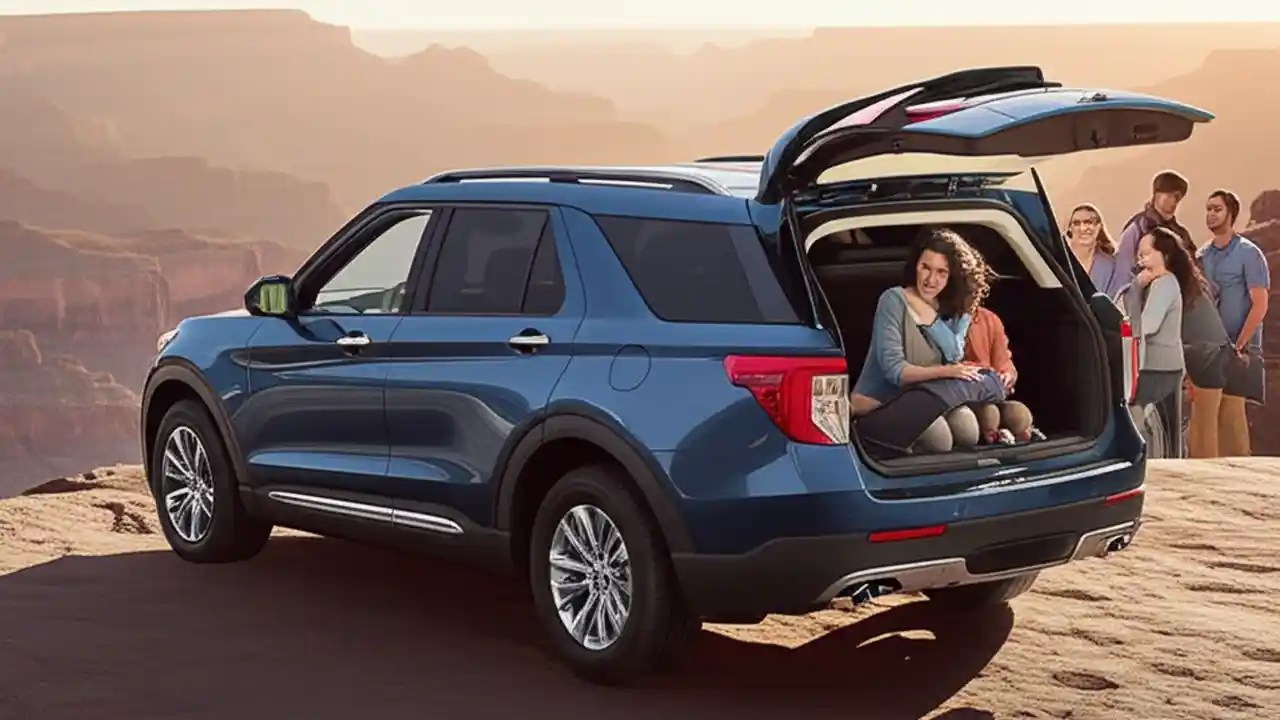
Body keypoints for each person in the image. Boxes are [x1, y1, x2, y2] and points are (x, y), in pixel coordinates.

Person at [851, 227, 1006, 454]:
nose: (930, 279)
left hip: (930, 399)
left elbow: (954, 353)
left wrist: (929, 317)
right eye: (925, 267)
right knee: (939, 438)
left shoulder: (957, 306)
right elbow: (896, 372)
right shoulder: (894, 300)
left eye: (942, 272)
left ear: (953, 276)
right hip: (879, 403)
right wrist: (946, 372)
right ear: (916, 265)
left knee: (967, 428)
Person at [1196, 188, 1270, 457]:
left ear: (1231, 214)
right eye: (1208, 209)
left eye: (1217, 209)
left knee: (1233, 413)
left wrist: (1241, 343)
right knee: (1208, 417)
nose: (1211, 214)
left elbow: (1260, 302)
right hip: (1210, 347)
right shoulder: (1202, 255)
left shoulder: (1249, 254)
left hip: (1241, 345)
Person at [1118, 228, 1199, 436]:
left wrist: (1136, 288)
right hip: (1155, 366)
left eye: (1146, 254)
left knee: (1150, 424)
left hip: (1161, 369)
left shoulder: (1164, 284)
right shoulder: (1155, 284)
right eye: (1139, 256)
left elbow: (1147, 325)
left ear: (1165, 255)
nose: (1141, 261)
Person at [962, 304, 1042, 443]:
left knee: (1019, 415)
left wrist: (1007, 375)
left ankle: (1014, 439)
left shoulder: (988, 319)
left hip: (989, 392)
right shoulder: (937, 319)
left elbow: (1004, 360)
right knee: (989, 414)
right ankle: (991, 438)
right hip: (960, 394)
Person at [1114, 170, 1196, 282]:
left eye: (1177, 197)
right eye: (1169, 195)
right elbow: (1123, 271)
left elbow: (1193, 269)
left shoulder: (1181, 234)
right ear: (1157, 194)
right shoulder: (1137, 228)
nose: (1173, 201)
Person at [1064, 203, 1124, 299]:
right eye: (1076, 223)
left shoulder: (1112, 265)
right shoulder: (1058, 258)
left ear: (1098, 226)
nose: (1083, 228)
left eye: (1088, 222)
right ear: (1070, 228)